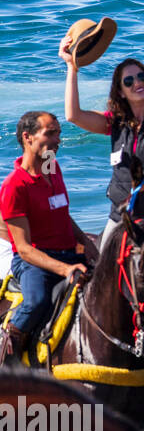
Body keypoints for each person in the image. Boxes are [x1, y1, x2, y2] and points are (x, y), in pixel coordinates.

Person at [60, 20, 144, 245]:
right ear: (120, 91)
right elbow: (73, 115)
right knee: (101, 267)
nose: (137, 82)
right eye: (128, 81)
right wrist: (72, 67)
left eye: (142, 77)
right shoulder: (115, 123)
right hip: (120, 214)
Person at [1, 112, 96, 361]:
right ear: (28, 137)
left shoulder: (52, 167)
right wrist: (65, 269)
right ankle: (9, 354)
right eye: (50, 133)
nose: (58, 140)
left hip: (68, 253)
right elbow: (23, 249)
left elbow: (64, 213)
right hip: (35, 262)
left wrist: (88, 247)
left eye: (59, 133)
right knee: (37, 302)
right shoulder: (14, 186)